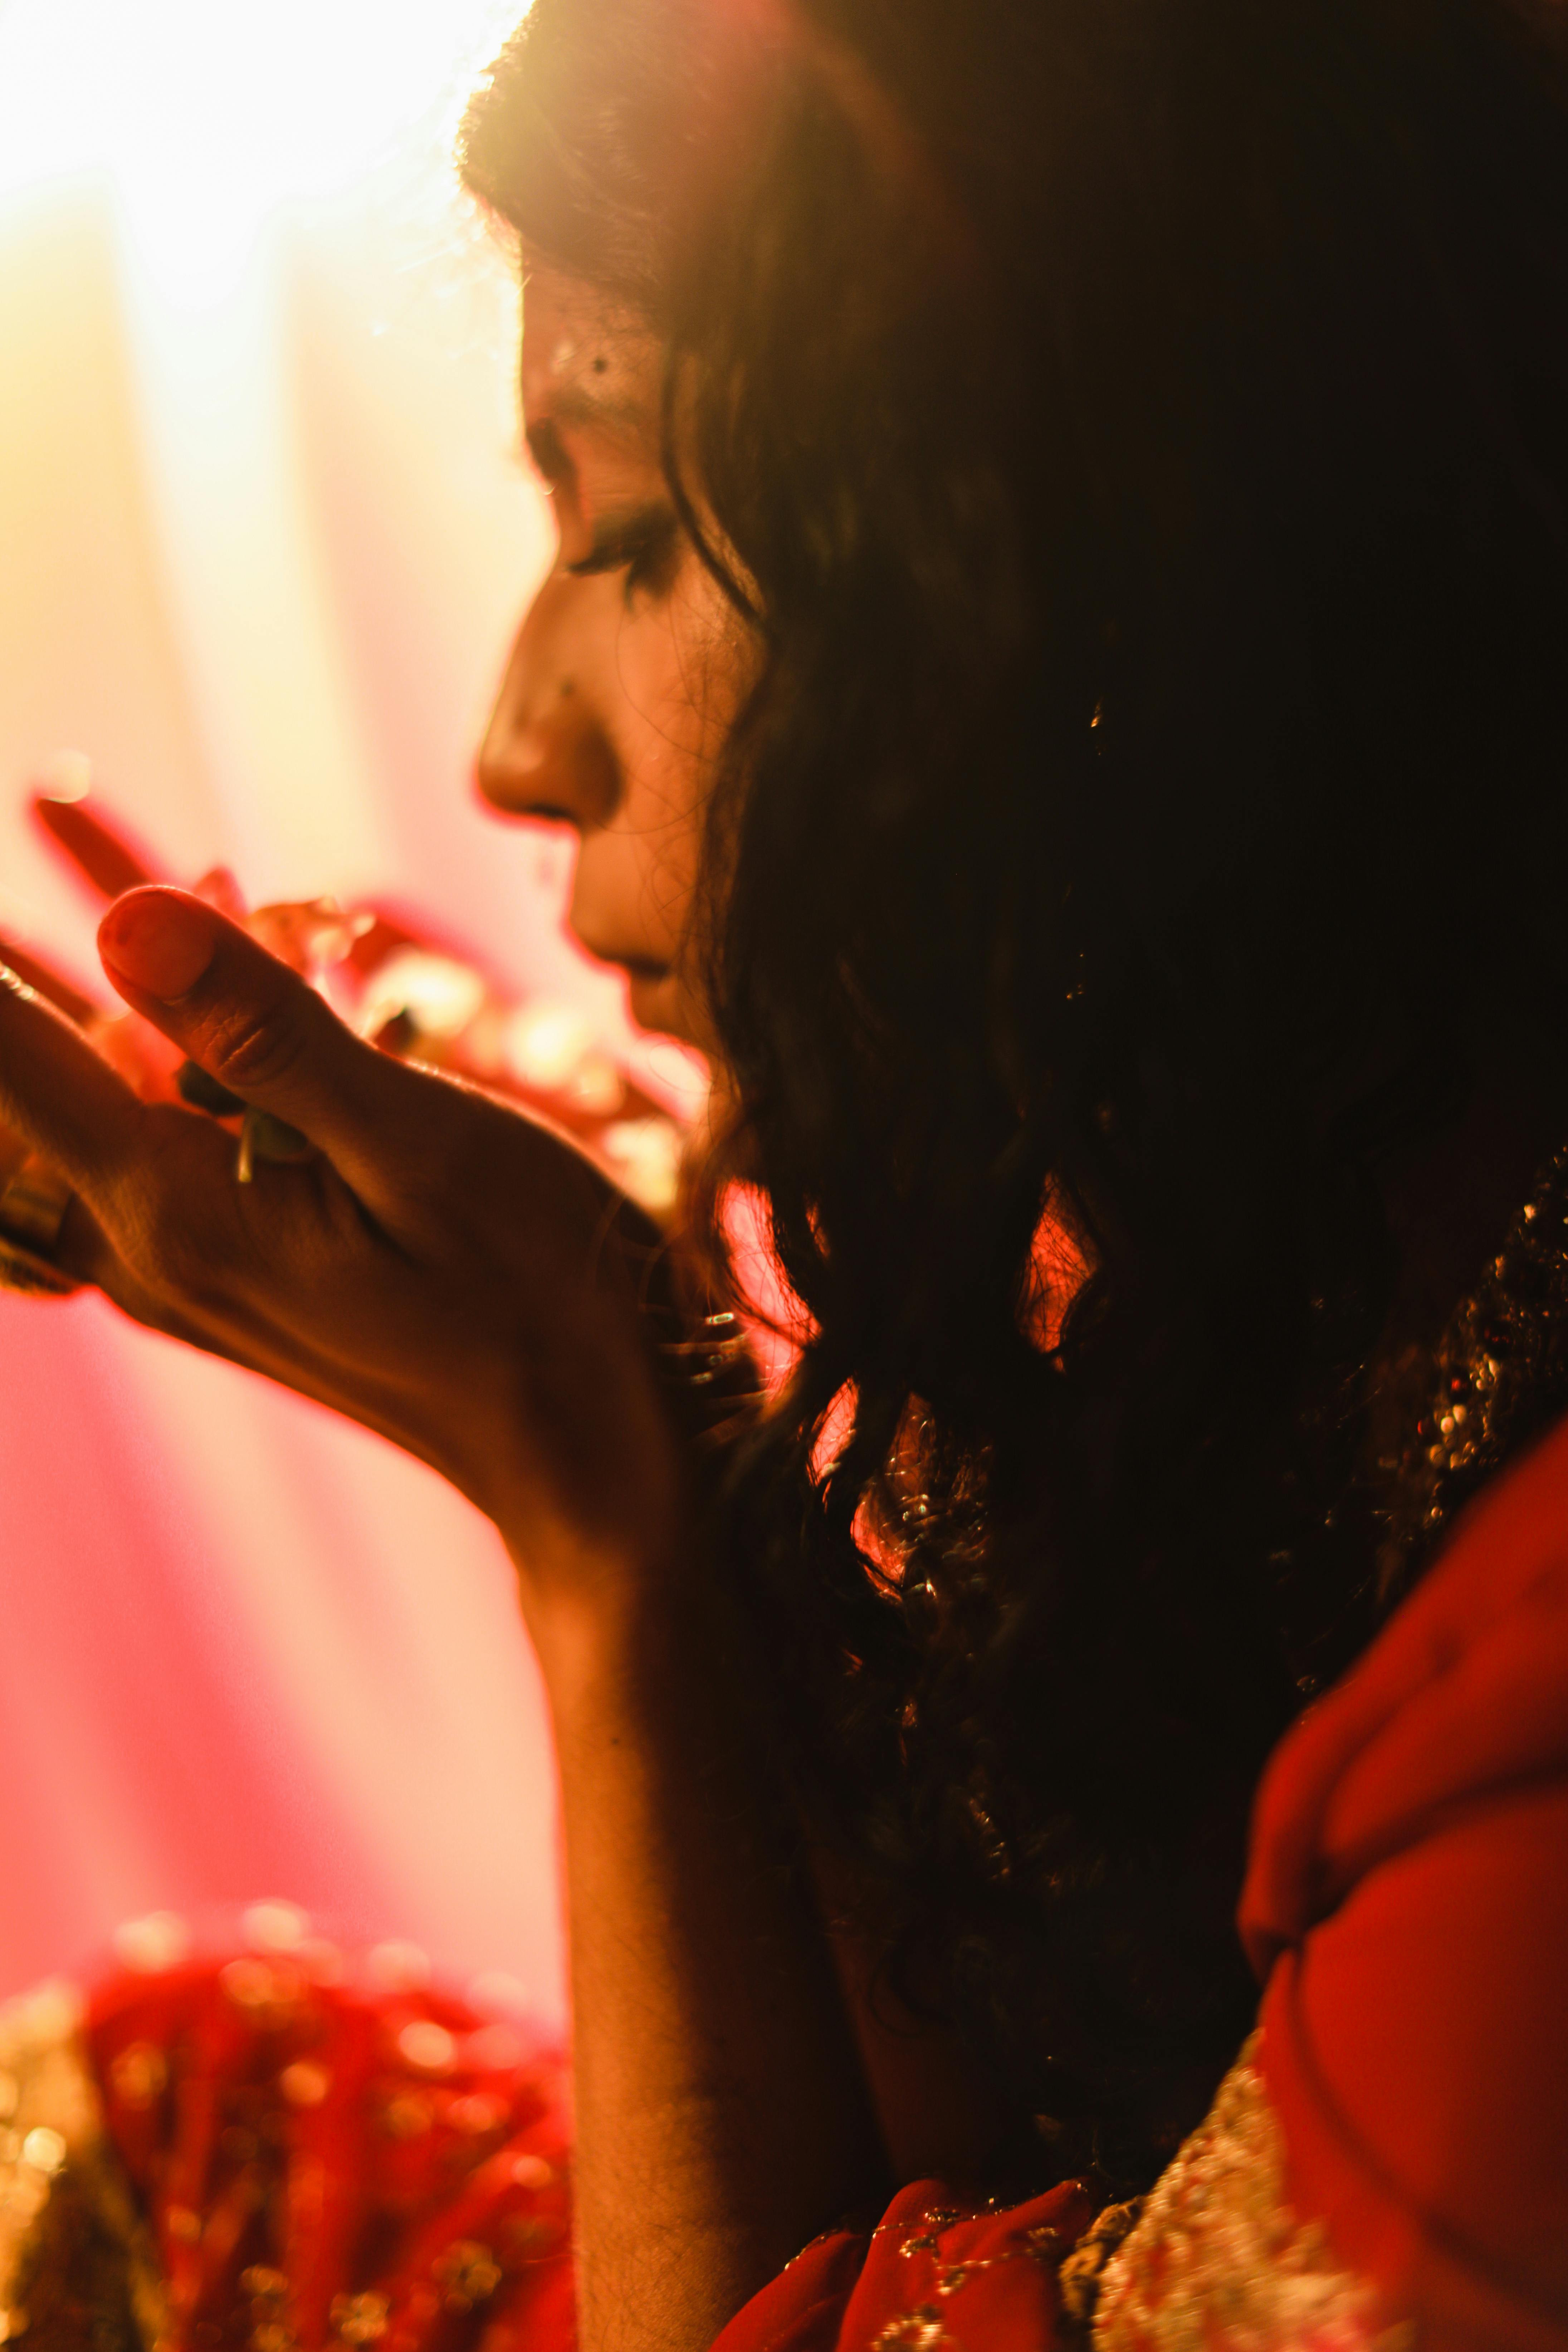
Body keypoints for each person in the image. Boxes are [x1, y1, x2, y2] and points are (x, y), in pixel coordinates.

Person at [1, 0, 1567, 2343]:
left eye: (626, 535)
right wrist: (620, 1294)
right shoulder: (1296, 1264)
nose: (515, 749)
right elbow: (1024, 2112)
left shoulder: (1527, 1771)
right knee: (167, 2118)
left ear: (1064, 586)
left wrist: (603, 1495)